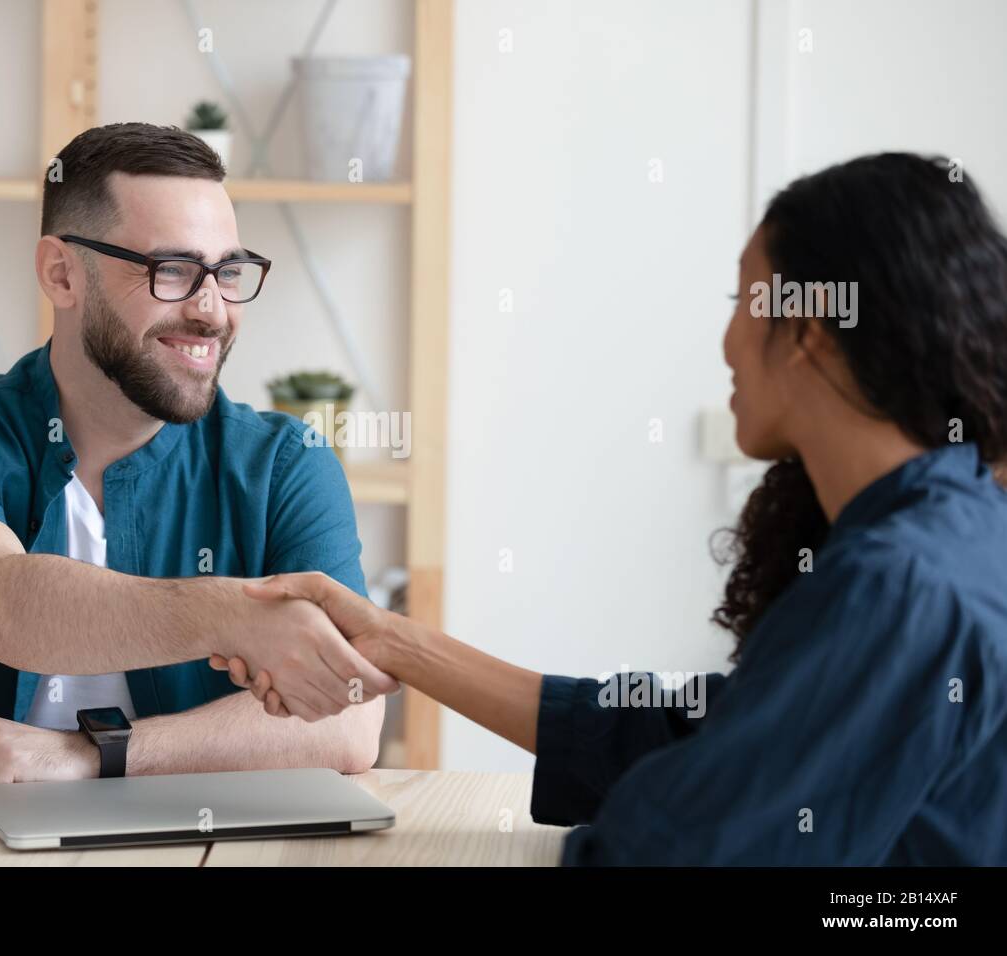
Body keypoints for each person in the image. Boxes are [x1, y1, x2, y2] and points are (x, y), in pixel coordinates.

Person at [214, 153, 1007, 864]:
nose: (728, 340)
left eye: (743, 299)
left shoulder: (897, 585)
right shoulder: (950, 533)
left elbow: (675, 847)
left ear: (807, 332)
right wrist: (395, 642)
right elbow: (693, 742)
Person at [0, 122, 394, 786]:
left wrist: (95, 753)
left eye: (228, 271)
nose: (211, 309)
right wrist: (234, 616)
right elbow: (4, 610)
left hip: (201, 838)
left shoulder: (286, 464)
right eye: (171, 269)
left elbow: (349, 718)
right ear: (61, 274)